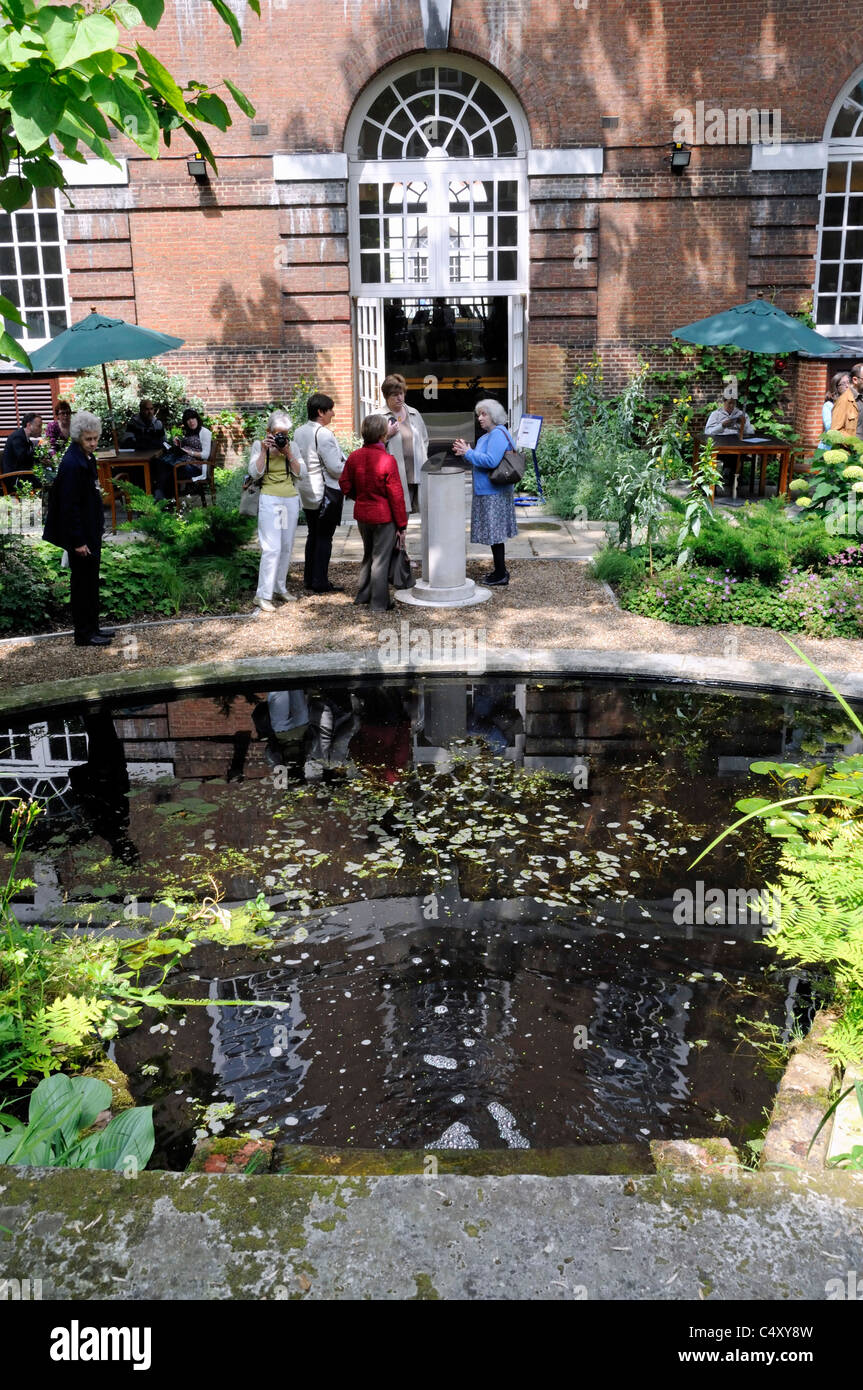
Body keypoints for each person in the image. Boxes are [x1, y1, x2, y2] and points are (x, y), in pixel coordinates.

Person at [42, 411, 115, 647]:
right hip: (80, 536)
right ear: (78, 437)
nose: (93, 443)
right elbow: (69, 506)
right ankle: (84, 634)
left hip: (90, 531)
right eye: (88, 439)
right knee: (82, 585)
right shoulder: (73, 463)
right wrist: (78, 541)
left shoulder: (87, 458)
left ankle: (93, 628)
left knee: (91, 583)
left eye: (95, 438)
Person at [339, 413, 407, 612]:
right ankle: (379, 603)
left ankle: (363, 595)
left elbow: (344, 483)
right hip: (384, 517)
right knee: (381, 560)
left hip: (363, 515)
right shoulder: (387, 460)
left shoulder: (354, 456)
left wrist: (357, 495)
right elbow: (396, 495)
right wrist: (401, 525)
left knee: (369, 555)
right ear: (382, 434)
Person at [452, 398, 518, 587]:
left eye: (484, 414)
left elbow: (491, 461)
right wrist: (465, 452)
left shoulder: (498, 433)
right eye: (478, 414)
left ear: (494, 415)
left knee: (496, 535)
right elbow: (478, 460)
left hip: (494, 492)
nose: (480, 418)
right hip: (487, 491)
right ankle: (499, 571)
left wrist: (469, 452)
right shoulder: (485, 437)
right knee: (494, 534)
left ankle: (501, 573)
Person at [247, 409, 303, 613]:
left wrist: (288, 453)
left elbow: (301, 473)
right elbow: (254, 472)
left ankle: (280, 587)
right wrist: (264, 452)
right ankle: (262, 595)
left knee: (286, 546)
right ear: (268, 431)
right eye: (277, 433)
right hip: (270, 499)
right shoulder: (258, 446)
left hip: (289, 499)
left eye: (285, 434)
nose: (281, 438)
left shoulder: (292, 446)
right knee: (272, 548)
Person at [292, 392, 346, 593]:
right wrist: (347, 466)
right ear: (320, 412)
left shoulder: (298, 432)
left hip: (306, 491)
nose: (333, 413)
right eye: (330, 409)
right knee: (325, 537)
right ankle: (320, 581)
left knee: (313, 535)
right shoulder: (323, 434)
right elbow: (335, 468)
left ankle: (309, 578)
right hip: (324, 492)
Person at [381, 371, 428, 514]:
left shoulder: (414, 413)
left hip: (414, 475)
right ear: (386, 396)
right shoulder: (378, 417)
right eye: (395, 395)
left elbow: (424, 439)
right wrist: (386, 436)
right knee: (394, 516)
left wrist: (422, 459)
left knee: (406, 515)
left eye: (401, 393)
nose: (399, 397)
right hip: (392, 477)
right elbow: (370, 447)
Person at [152, 407, 212, 501]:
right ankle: (164, 497)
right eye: (188, 420)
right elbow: (187, 447)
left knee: (167, 470)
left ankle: (163, 497)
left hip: (196, 467)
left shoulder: (204, 432)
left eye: (193, 418)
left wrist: (189, 452)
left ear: (197, 419)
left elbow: (205, 455)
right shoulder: (190, 432)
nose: (191, 421)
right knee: (159, 464)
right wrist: (178, 444)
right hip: (184, 462)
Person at [1, 411, 42, 485]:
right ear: (29, 425)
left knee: (47, 480)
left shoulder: (26, 439)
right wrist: (38, 449)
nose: (41, 429)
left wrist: (42, 459)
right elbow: (23, 458)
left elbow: (29, 459)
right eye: (39, 426)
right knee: (45, 483)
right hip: (14, 478)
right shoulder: (17, 437)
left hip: (22, 475)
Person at [831, 363, 863, 438]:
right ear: (855, 380)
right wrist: (854, 444)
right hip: (851, 449)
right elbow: (835, 431)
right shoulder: (843, 401)